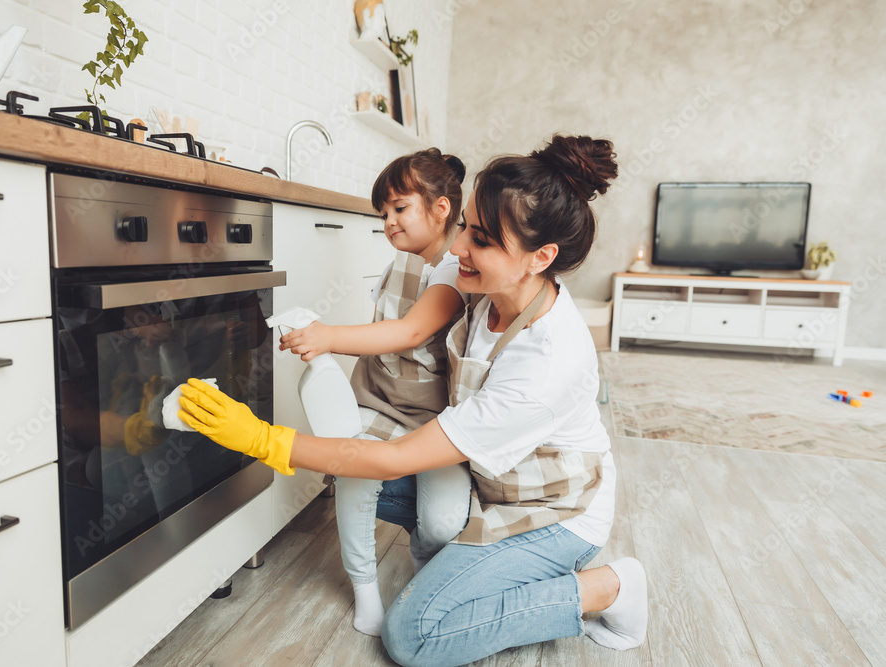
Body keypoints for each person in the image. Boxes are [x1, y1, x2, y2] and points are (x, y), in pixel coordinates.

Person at [178, 134, 648, 666]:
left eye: (483, 239)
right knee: (346, 474)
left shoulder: (548, 362)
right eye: (465, 225)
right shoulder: (480, 284)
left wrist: (263, 439)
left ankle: (609, 587)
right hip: (492, 482)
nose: (458, 248)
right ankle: (479, 568)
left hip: (554, 511)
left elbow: (397, 458)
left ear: (540, 258)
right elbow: (408, 325)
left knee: (413, 637)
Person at [278, 148, 473, 636]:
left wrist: (327, 335)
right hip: (379, 402)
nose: (388, 222)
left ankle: (425, 560)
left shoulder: (455, 269)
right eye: (382, 213)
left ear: (441, 207)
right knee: (352, 470)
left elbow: (408, 332)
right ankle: (364, 585)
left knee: (444, 521)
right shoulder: (403, 261)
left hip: (436, 422)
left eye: (399, 208)